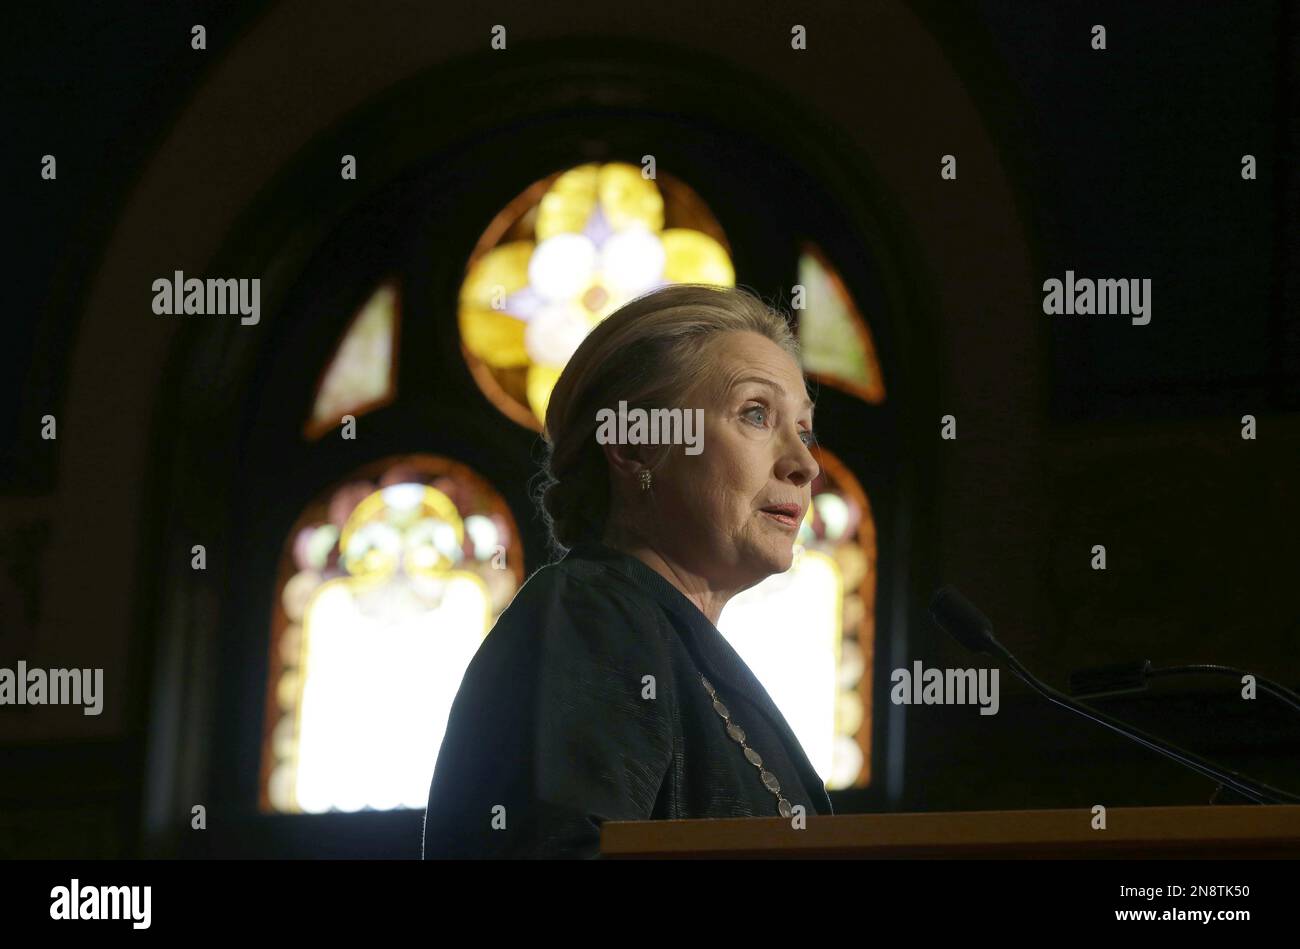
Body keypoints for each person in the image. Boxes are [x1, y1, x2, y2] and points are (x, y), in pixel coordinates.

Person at [422, 283, 832, 858]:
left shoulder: (676, 647)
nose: (805, 464)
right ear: (637, 446)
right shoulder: (591, 616)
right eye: (756, 414)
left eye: (805, 429)